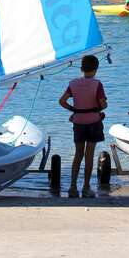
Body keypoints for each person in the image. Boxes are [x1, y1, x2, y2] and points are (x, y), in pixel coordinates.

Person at [57, 55, 107, 199]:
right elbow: (103, 104)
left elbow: (62, 101)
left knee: (78, 154)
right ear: (96, 69)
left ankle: (72, 187)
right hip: (93, 122)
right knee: (89, 155)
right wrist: (98, 109)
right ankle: (86, 187)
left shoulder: (73, 83)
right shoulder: (97, 84)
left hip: (78, 122)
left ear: (81, 68)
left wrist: (74, 109)